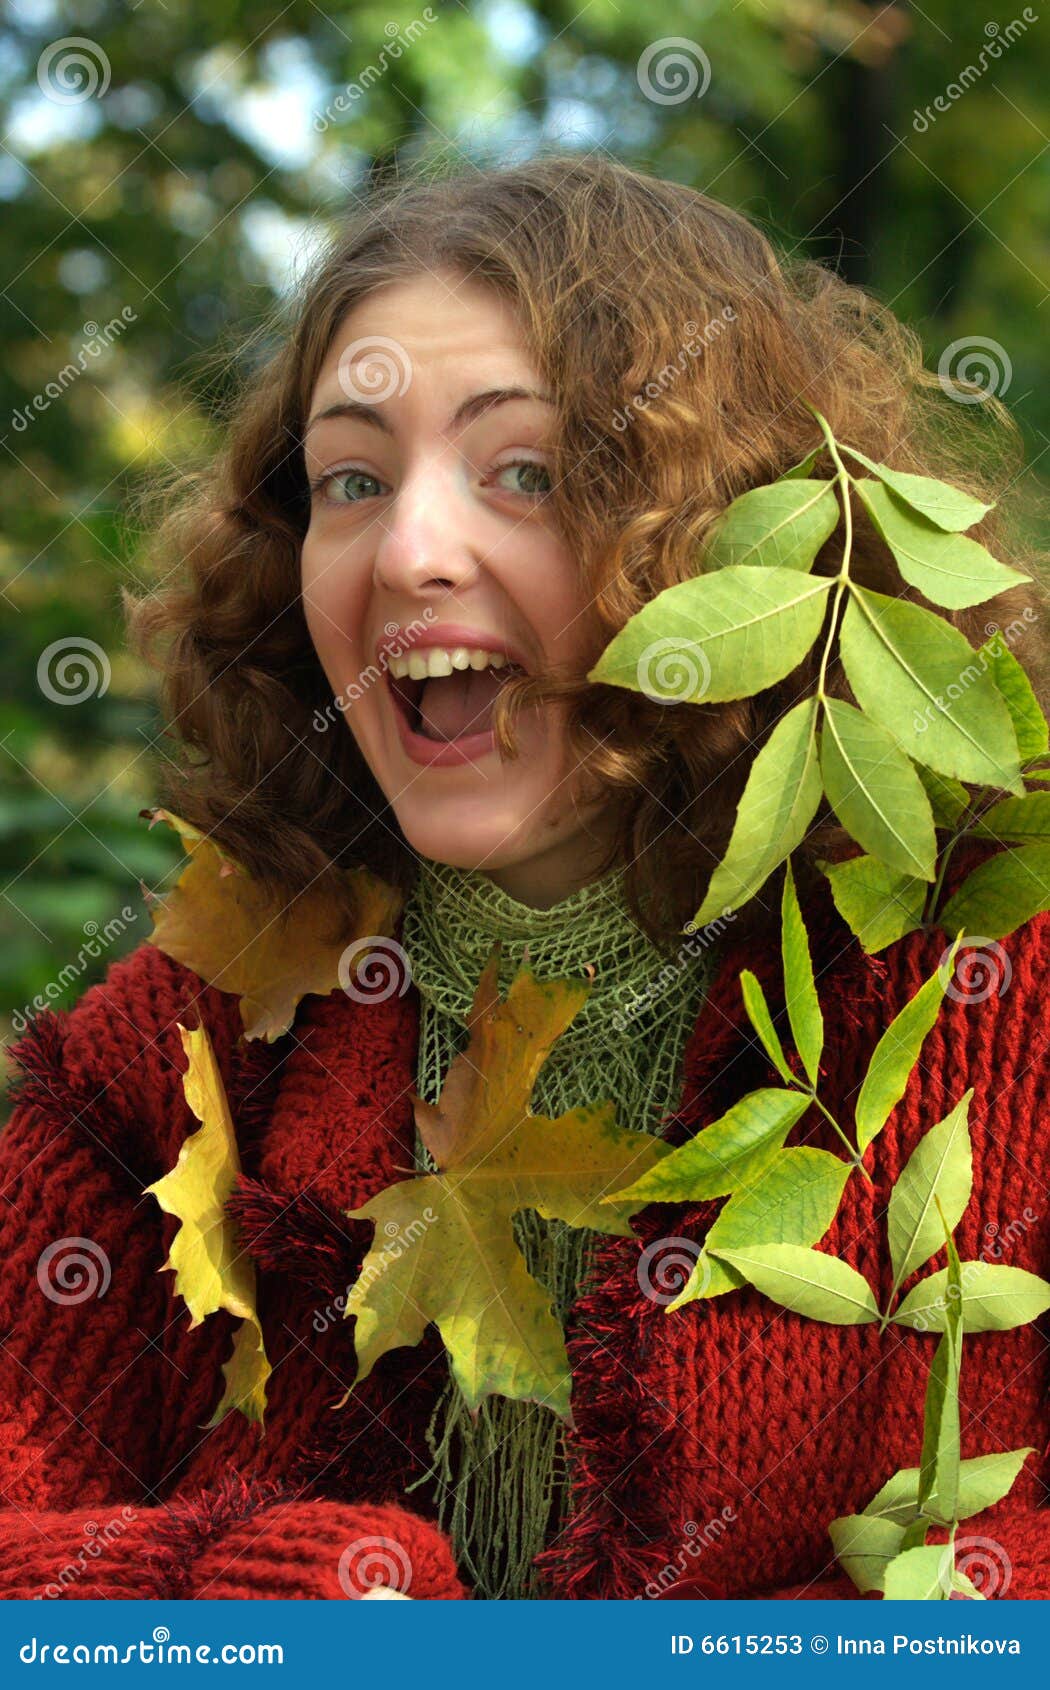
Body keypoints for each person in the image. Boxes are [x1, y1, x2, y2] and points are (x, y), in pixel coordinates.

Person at [2, 155, 1048, 1603]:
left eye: (530, 472)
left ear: (740, 546)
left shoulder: (987, 981)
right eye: (351, 480)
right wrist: (257, 1592)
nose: (412, 550)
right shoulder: (178, 1040)